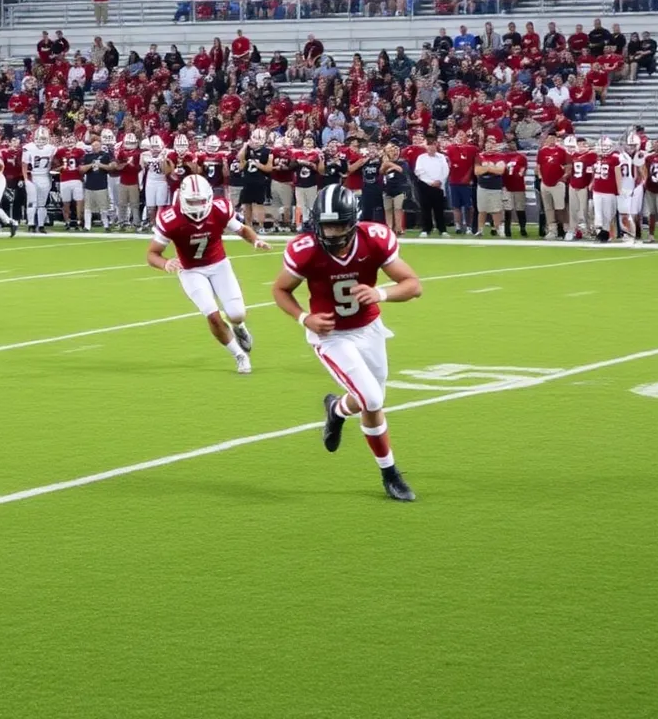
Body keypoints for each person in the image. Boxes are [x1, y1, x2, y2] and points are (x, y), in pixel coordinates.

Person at [271, 184, 422, 502]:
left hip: (369, 329)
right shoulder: (305, 249)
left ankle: (337, 410)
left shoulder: (374, 239)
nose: (333, 232)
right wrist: (304, 318)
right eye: (327, 225)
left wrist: (380, 293)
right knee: (371, 398)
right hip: (331, 336)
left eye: (339, 224)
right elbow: (280, 290)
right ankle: (390, 474)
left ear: (353, 221)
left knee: (372, 397)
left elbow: (413, 285)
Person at [148, 175, 269, 375]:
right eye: (192, 201)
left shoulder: (219, 209)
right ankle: (239, 355)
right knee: (212, 316)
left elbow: (241, 230)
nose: (197, 206)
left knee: (237, 314)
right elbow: (152, 254)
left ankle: (238, 327)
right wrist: (166, 263)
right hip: (190, 270)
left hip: (219, 265)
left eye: (201, 201)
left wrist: (255, 240)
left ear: (210, 198)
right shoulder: (171, 219)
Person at [23, 126, 57, 233]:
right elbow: (24, 164)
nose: (40, 141)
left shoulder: (52, 148)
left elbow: (55, 163)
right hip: (33, 175)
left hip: (45, 176)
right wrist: (25, 179)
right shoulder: (28, 148)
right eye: (38, 138)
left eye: (43, 139)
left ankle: (41, 225)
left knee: (42, 203)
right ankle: (31, 224)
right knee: (32, 201)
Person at [414, 135, 449, 236]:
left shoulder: (441, 157)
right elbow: (419, 172)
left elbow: (445, 170)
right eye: (429, 145)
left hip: (439, 186)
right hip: (425, 186)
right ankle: (426, 229)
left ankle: (442, 230)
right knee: (425, 209)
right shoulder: (421, 158)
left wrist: (440, 181)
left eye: (433, 145)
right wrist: (430, 182)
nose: (431, 148)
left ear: (436, 146)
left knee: (439, 209)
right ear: (426, 147)